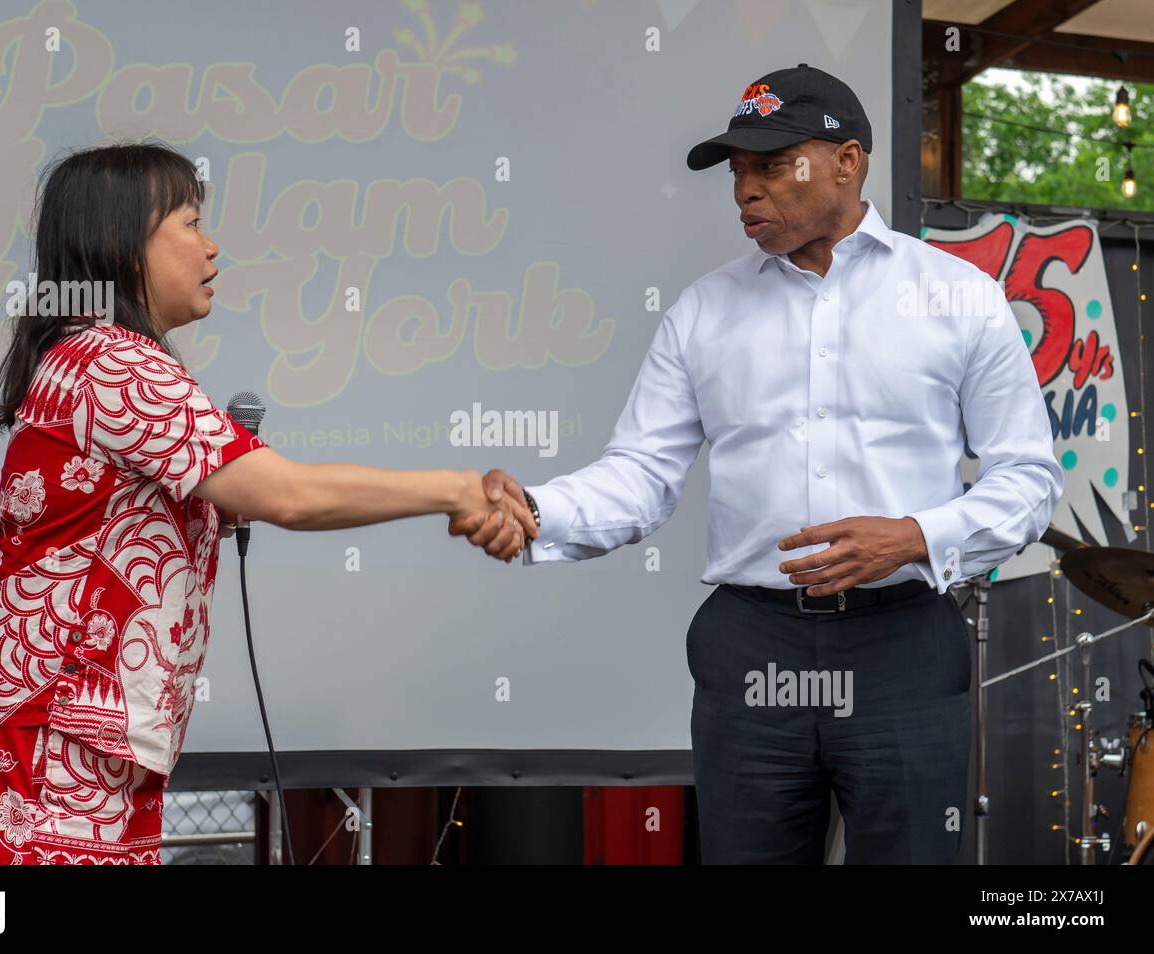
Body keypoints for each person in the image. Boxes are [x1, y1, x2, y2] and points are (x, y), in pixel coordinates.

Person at [450, 65, 1065, 863]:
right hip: (752, 648)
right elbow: (640, 471)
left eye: (771, 167)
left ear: (848, 162)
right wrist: (538, 508)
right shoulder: (704, 311)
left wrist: (913, 536)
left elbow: (1028, 480)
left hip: (903, 648)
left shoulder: (958, 298)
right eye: (738, 173)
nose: (745, 192)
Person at [0, 141, 537, 865]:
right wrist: (460, 490)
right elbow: (290, 494)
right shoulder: (112, 364)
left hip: (64, 736)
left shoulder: (94, 355)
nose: (211, 246)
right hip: (48, 739)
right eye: (189, 223)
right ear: (124, 245)